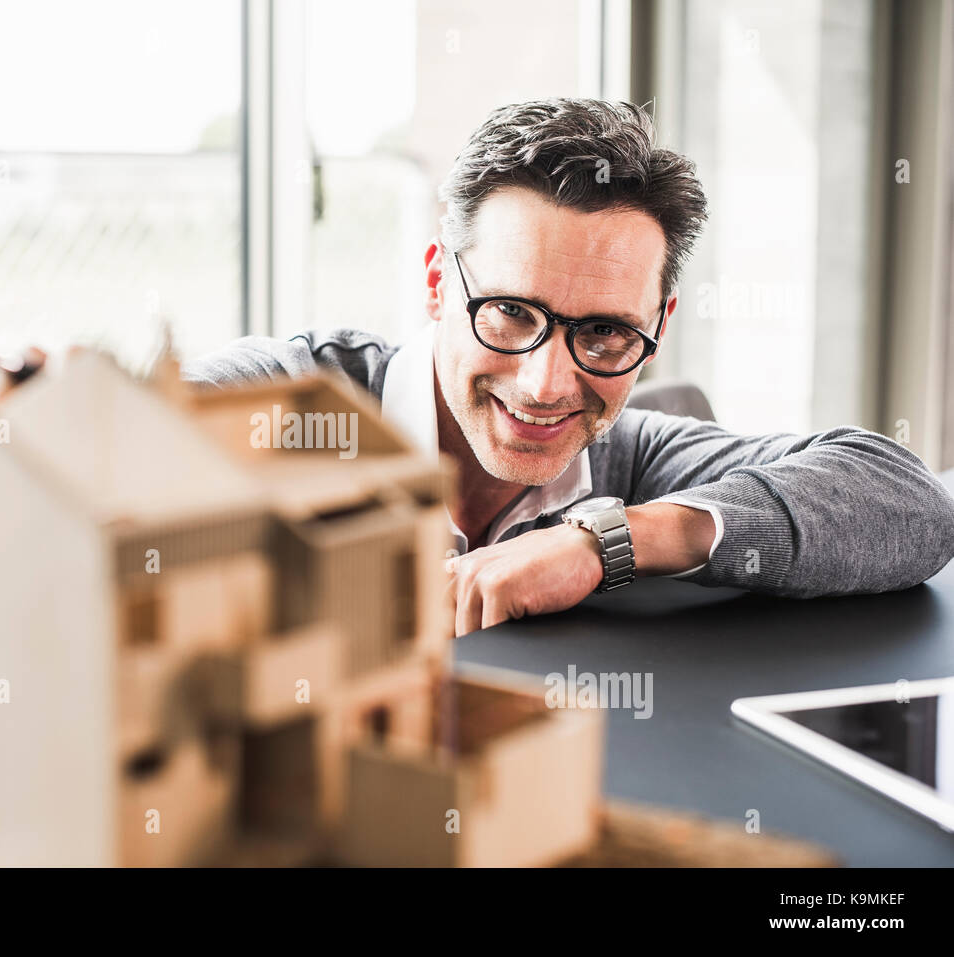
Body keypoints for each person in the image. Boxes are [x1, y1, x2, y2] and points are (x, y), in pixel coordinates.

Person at [181, 98, 954, 636]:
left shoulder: (631, 459)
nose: (546, 385)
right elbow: (141, 442)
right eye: (511, 311)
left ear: (658, 326)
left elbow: (912, 502)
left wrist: (606, 542)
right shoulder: (297, 395)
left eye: (606, 332)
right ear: (437, 282)